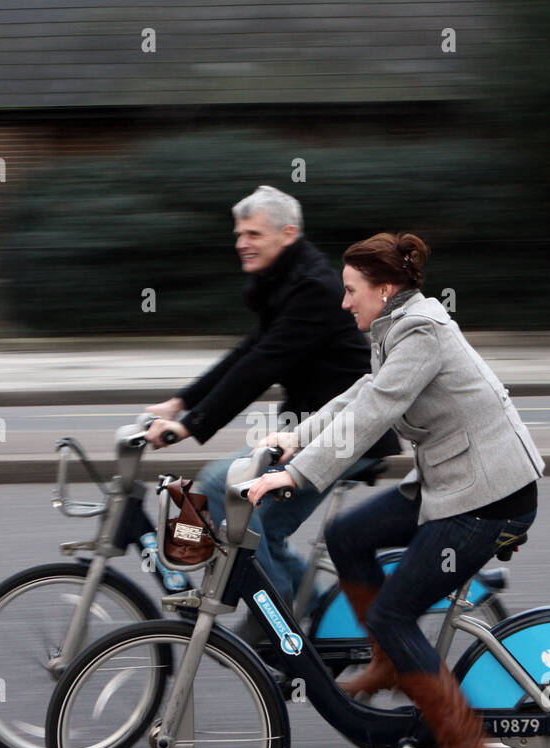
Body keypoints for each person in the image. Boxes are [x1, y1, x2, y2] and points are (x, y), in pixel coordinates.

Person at [247, 231, 545, 748]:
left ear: (383, 290)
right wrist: (294, 437)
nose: (343, 301)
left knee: (393, 610)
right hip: (452, 483)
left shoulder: (422, 333)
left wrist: (298, 475)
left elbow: (373, 416)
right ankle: (388, 660)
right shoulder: (397, 327)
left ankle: (463, 744)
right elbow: (361, 395)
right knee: (346, 535)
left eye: (351, 290)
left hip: (490, 497)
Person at [144, 186, 399, 606]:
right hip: (309, 430)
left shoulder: (313, 288)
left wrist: (189, 427)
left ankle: (282, 627)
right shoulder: (283, 283)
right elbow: (247, 353)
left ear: (288, 233)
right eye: (239, 234)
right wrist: (181, 404)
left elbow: (261, 366)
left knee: (219, 485)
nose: (242, 243)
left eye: (254, 234)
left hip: (347, 433)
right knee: (261, 531)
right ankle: (309, 617)